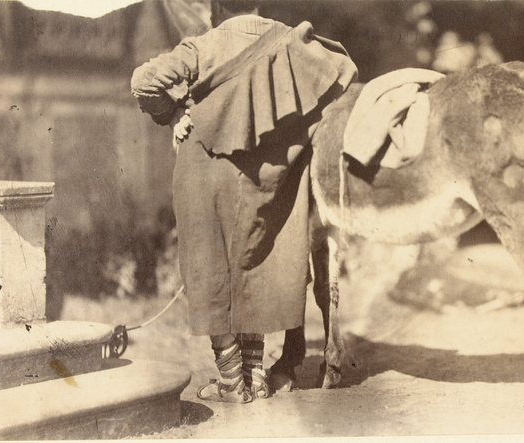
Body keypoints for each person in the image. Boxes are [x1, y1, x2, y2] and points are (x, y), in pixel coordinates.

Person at [130, 0, 357, 403]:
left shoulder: (202, 45)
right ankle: (255, 375)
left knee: (210, 268)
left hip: (206, 171)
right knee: (258, 263)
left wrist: (173, 113)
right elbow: (340, 73)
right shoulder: (292, 40)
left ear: (218, 7)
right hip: (270, 177)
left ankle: (232, 381)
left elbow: (143, 80)